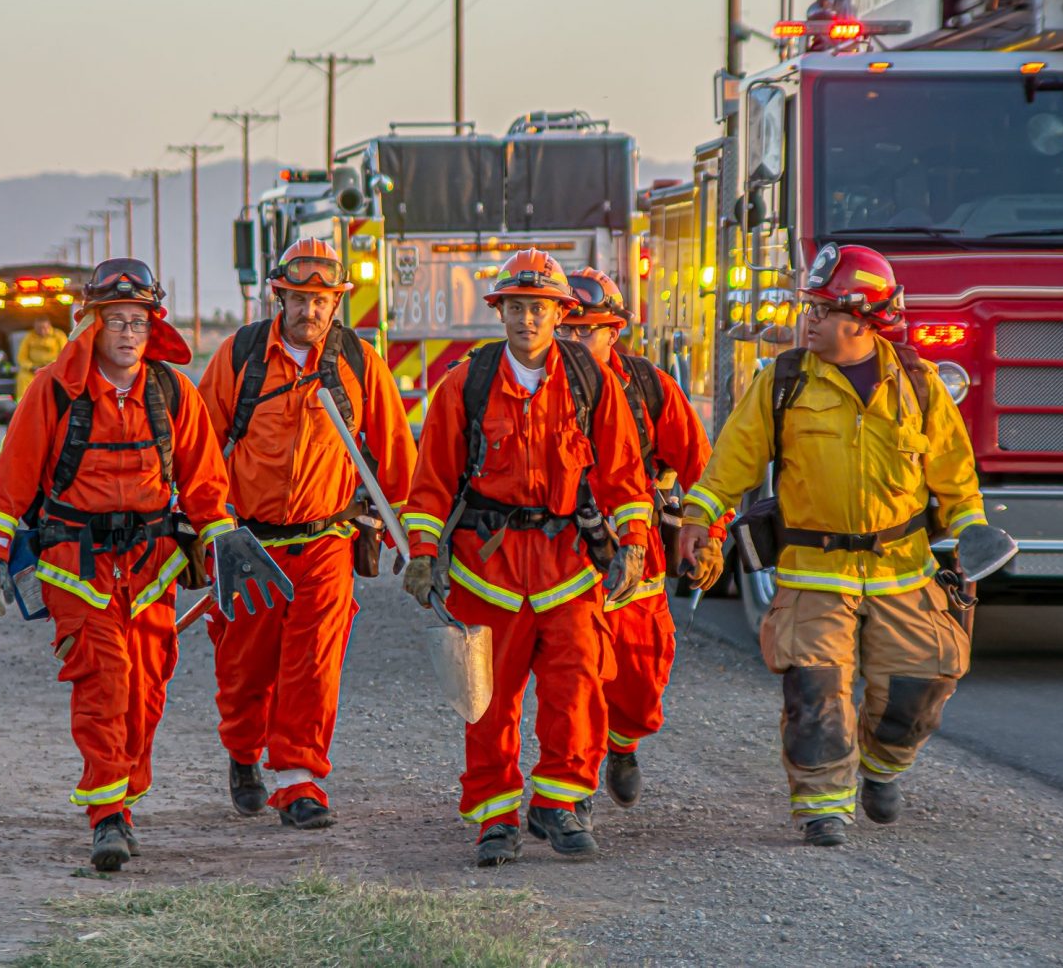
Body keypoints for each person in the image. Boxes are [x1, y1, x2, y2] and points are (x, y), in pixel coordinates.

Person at [678, 243, 1003, 847]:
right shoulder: (782, 382)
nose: (810, 319)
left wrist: (972, 534)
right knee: (816, 695)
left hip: (903, 571)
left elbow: (957, 484)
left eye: (823, 309)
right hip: (813, 573)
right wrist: (700, 514)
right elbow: (729, 465)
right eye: (809, 307)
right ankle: (823, 807)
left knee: (919, 690)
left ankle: (883, 767)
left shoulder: (921, 386)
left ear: (861, 317)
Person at [0, 258, 237, 871]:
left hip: (153, 566)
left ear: (152, 326)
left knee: (146, 688)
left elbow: (205, 483)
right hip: (75, 566)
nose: (126, 333)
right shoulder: (52, 390)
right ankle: (107, 817)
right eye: (114, 320)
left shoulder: (173, 392)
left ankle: (123, 794)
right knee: (104, 682)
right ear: (90, 323)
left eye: (137, 321)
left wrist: (222, 541)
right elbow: (10, 485)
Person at [399, 249, 652, 868]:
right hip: (487, 569)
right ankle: (494, 817)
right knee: (488, 699)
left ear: (559, 314)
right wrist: (424, 554)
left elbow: (622, 473)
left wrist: (636, 542)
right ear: (501, 313)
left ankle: (559, 805)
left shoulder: (591, 383)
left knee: (577, 689)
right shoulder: (466, 382)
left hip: (567, 564)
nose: (527, 319)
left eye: (539, 308)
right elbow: (431, 480)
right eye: (516, 307)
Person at [197, 238, 416, 830]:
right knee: (243, 668)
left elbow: (397, 462)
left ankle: (298, 780)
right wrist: (201, 529)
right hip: (248, 546)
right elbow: (195, 451)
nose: (310, 312)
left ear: (337, 302)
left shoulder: (361, 365)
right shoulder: (238, 358)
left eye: (322, 301)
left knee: (313, 664)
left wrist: (416, 543)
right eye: (300, 299)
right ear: (279, 296)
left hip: (326, 542)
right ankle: (244, 754)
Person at [555, 267, 726, 809]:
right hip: (557, 554)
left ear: (614, 333)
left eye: (588, 331)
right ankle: (570, 784)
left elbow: (705, 471)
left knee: (641, 679)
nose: (574, 341)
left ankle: (622, 742)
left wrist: (708, 536)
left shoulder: (650, 387)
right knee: (574, 672)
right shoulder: (534, 387)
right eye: (566, 329)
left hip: (638, 553)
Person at [15, 316, 68, 400]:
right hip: (34, 369)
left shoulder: (59, 335)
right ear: (35, 327)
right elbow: (21, 357)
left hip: (54, 368)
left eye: (45, 328)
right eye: (39, 328)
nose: (42, 331)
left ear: (49, 326)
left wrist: (54, 364)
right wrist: (31, 367)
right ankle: (22, 404)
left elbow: (66, 353)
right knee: (22, 376)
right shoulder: (29, 337)